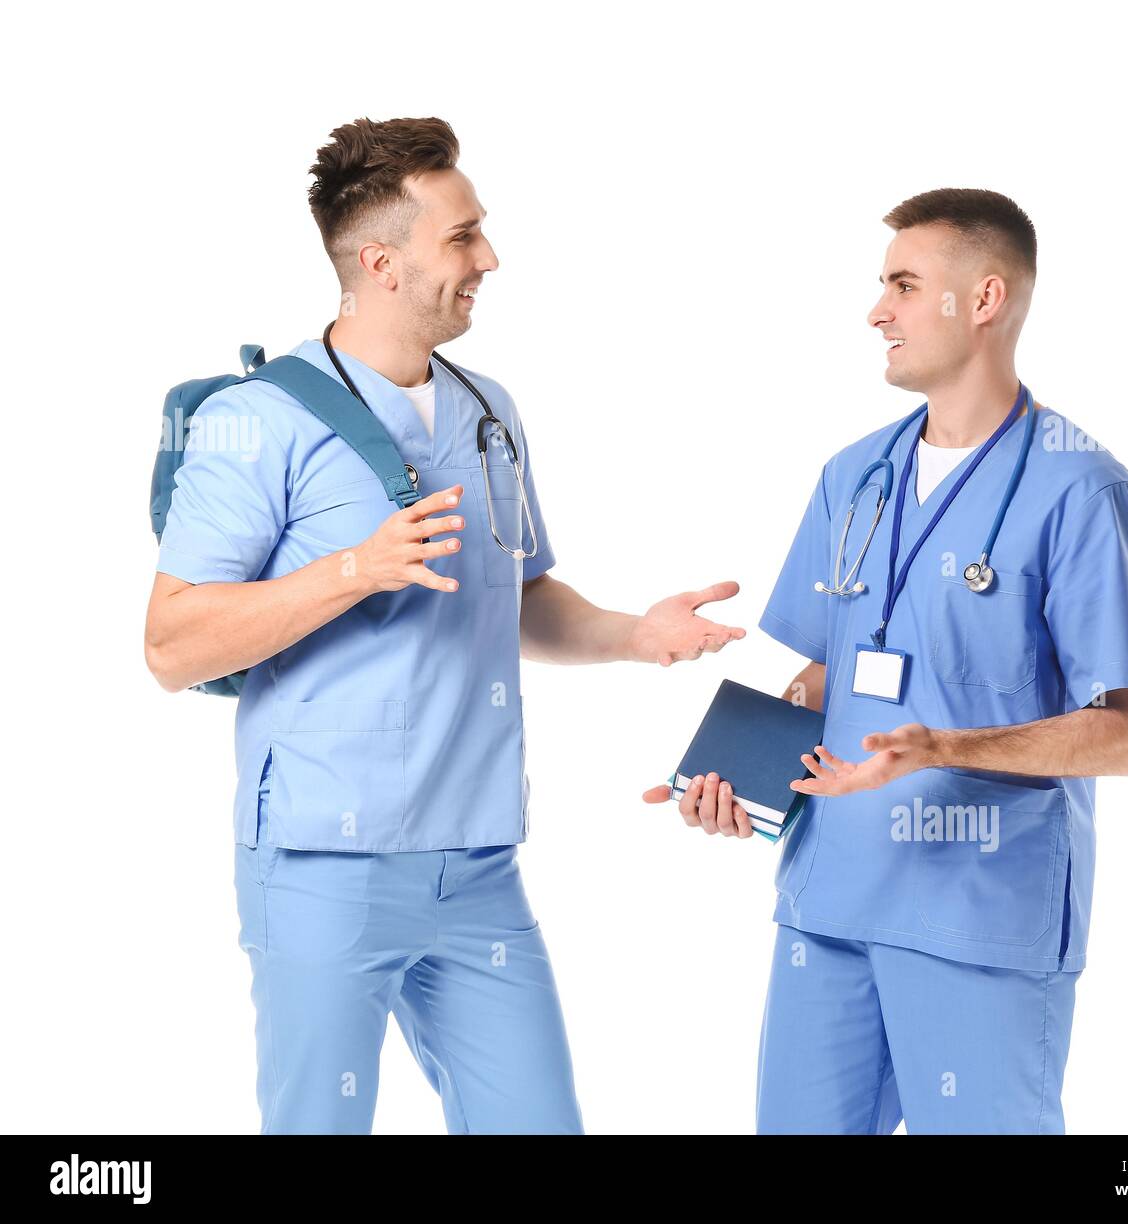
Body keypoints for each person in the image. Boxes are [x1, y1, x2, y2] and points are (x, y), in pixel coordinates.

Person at [145, 115, 744, 1135]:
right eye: (462, 237)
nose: (489, 258)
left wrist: (631, 634)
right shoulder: (260, 422)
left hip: (475, 865)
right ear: (381, 261)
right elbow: (171, 643)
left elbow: (512, 598)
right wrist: (353, 569)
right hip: (322, 865)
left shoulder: (488, 409)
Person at [645, 188, 1128, 1134]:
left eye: (904, 286)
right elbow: (825, 676)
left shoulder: (1081, 488)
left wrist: (939, 747)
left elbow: (1123, 737)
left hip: (976, 919)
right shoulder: (855, 476)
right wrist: (735, 780)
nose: (877, 311)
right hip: (828, 903)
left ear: (985, 299)